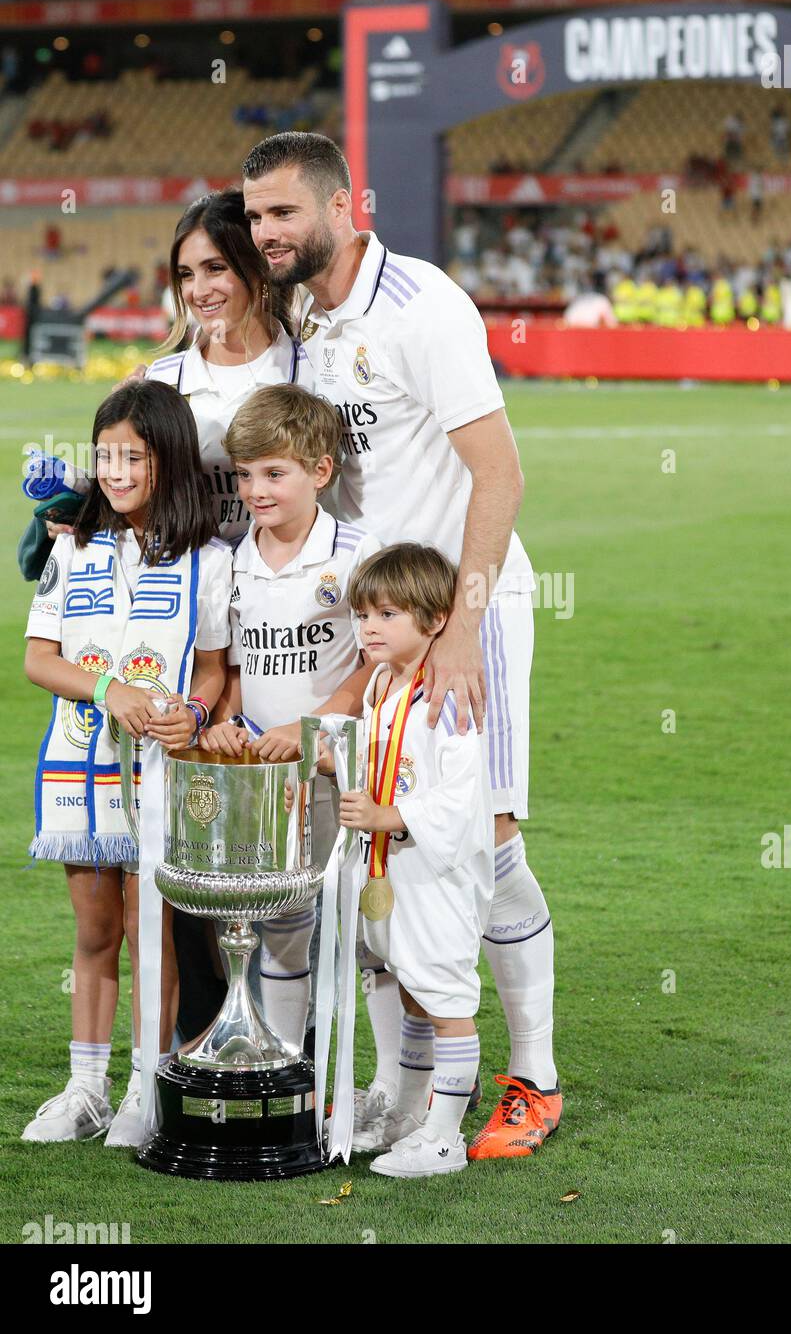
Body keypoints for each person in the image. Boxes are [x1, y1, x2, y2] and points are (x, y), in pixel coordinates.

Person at [242, 131, 562, 1159]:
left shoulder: (421, 306)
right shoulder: (304, 320)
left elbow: (499, 472)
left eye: (284, 213)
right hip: (381, 628)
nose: (267, 233)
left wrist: (461, 630)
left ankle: (534, 1080)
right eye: (254, 217)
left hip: (463, 620)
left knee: (489, 845)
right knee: (383, 845)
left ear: (343, 205)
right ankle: (406, 1084)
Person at [21, 380, 231, 1145]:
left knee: (152, 930)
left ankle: (148, 1085)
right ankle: (85, 1089)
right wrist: (110, 689)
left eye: (132, 458)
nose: (113, 471)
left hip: (160, 773)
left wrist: (197, 712)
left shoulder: (208, 560)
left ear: (168, 462)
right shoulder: (71, 545)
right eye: (104, 454)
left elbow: (214, 666)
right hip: (77, 768)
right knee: (94, 930)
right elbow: (39, 661)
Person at [199, 385, 379, 1050]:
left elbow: (375, 664)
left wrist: (315, 732)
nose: (256, 491)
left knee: (361, 926)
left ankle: (380, 1086)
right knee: (277, 920)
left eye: (275, 473)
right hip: (267, 775)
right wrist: (224, 722)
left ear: (321, 472)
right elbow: (239, 671)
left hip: (336, 768)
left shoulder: (356, 551)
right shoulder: (230, 563)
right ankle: (286, 1067)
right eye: (245, 475)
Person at [340, 543, 494, 1177]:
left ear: (435, 621)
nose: (370, 628)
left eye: (388, 615)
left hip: (437, 875)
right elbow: (386, 760)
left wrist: (391, 816)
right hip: (391, 871)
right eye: (364, 615)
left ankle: (445, 1137)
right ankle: (409, 1113)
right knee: (407, 988)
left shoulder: (447, 694)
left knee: (447, 1001)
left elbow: (463, 796)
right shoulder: (381, 683)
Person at [147, 187, 305, 542]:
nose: (198, 291)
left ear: (257, 269)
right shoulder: (160, 384)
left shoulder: (314, 373)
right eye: (186, 274)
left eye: (215, 268)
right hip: (191, 589)